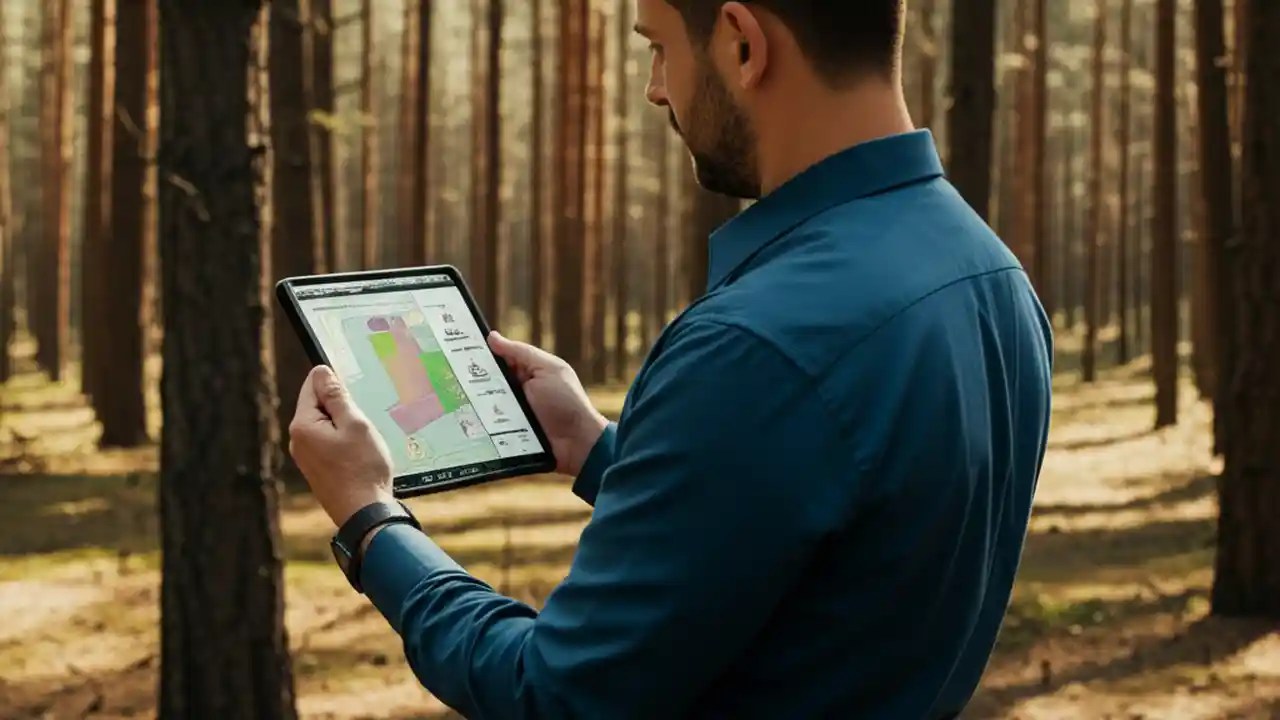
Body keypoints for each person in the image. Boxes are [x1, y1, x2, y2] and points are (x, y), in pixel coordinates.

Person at [288, 0, 1054, 717]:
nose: (656, 91)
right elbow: (820, 543)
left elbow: (553, 693)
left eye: (658, 48)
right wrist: (599, 450)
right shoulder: (991, 276)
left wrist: (371, 521)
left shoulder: (754, 346)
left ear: (743, 44)